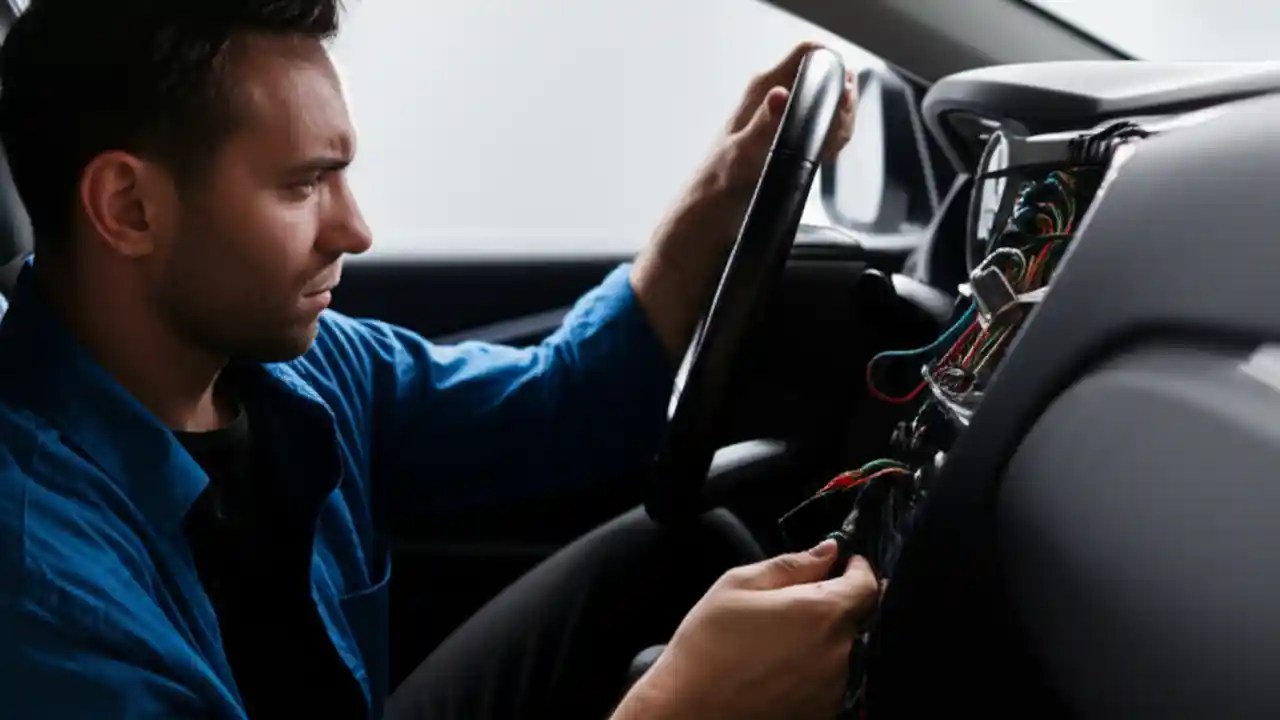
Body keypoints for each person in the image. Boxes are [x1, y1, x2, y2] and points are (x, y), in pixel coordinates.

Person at [0, 1, 878, 718]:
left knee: (674, 551)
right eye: (303, 185)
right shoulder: (40, 584)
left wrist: (729, 182)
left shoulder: (305, 373)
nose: (356, 230)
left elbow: (564, 404)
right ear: (130, 208)